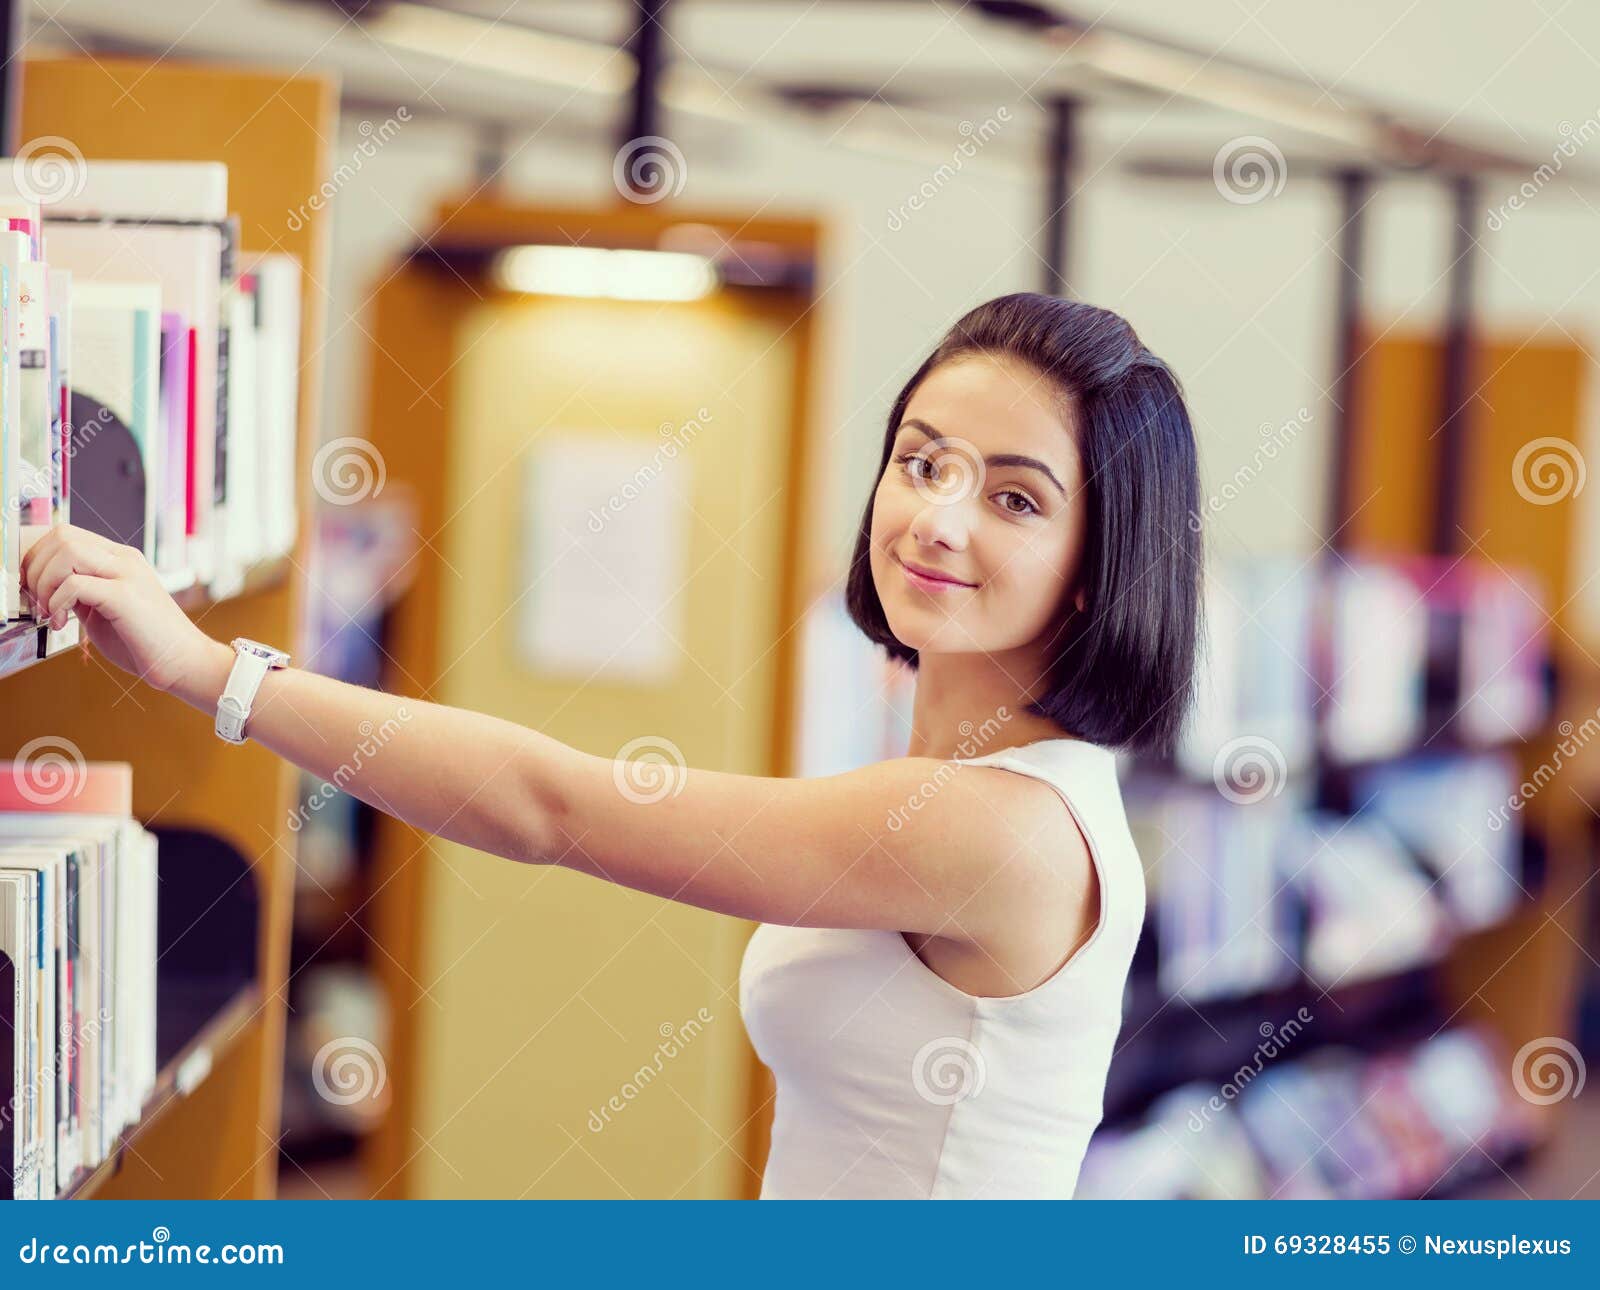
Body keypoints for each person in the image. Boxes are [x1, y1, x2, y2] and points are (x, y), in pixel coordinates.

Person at [21, 291, 1202, 1199]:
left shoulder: (997, 830)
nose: (937, 516)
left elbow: (553, 807)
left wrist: (204, 669)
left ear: (1101, 570)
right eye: (921, 459)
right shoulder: (964, 786)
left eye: (1015, 498)